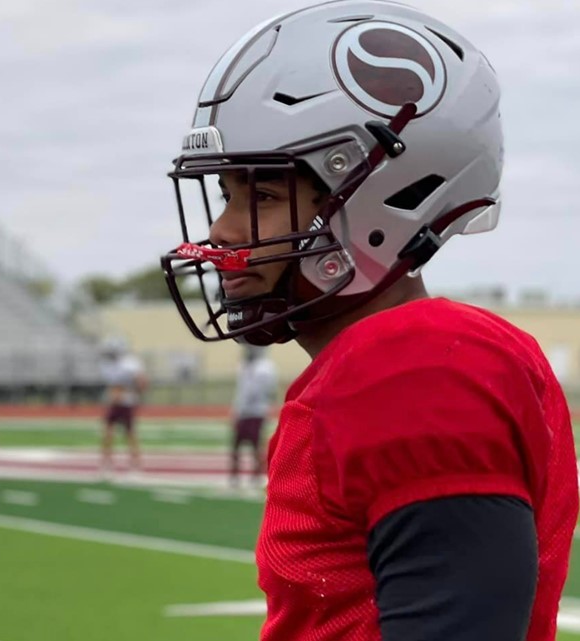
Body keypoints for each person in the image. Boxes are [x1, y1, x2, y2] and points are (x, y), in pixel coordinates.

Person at [159, 3, 577, 640]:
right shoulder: (387, 360)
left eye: (263, 196)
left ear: (383, 198)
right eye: (227, 195)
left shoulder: (414, 362)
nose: (220, 233)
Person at [227, 345, 276, 488]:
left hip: (256, 411)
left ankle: (256, 474)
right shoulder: (245, 366)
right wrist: (236, 411)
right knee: (236, 446)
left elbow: (265, 391)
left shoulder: (265, 368)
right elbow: (241, 391)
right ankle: (235, 475)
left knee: (255, 446)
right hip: (245, 411)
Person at [97, 336, 146, 476]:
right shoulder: (107, 364)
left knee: (130, 433)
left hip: (127, 402)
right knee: (108, 432)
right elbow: (113, 385)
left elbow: (142, 383)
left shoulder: (130, 364)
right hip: (114, 402)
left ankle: (135, 463)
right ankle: (106, 463)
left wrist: (129, 390)